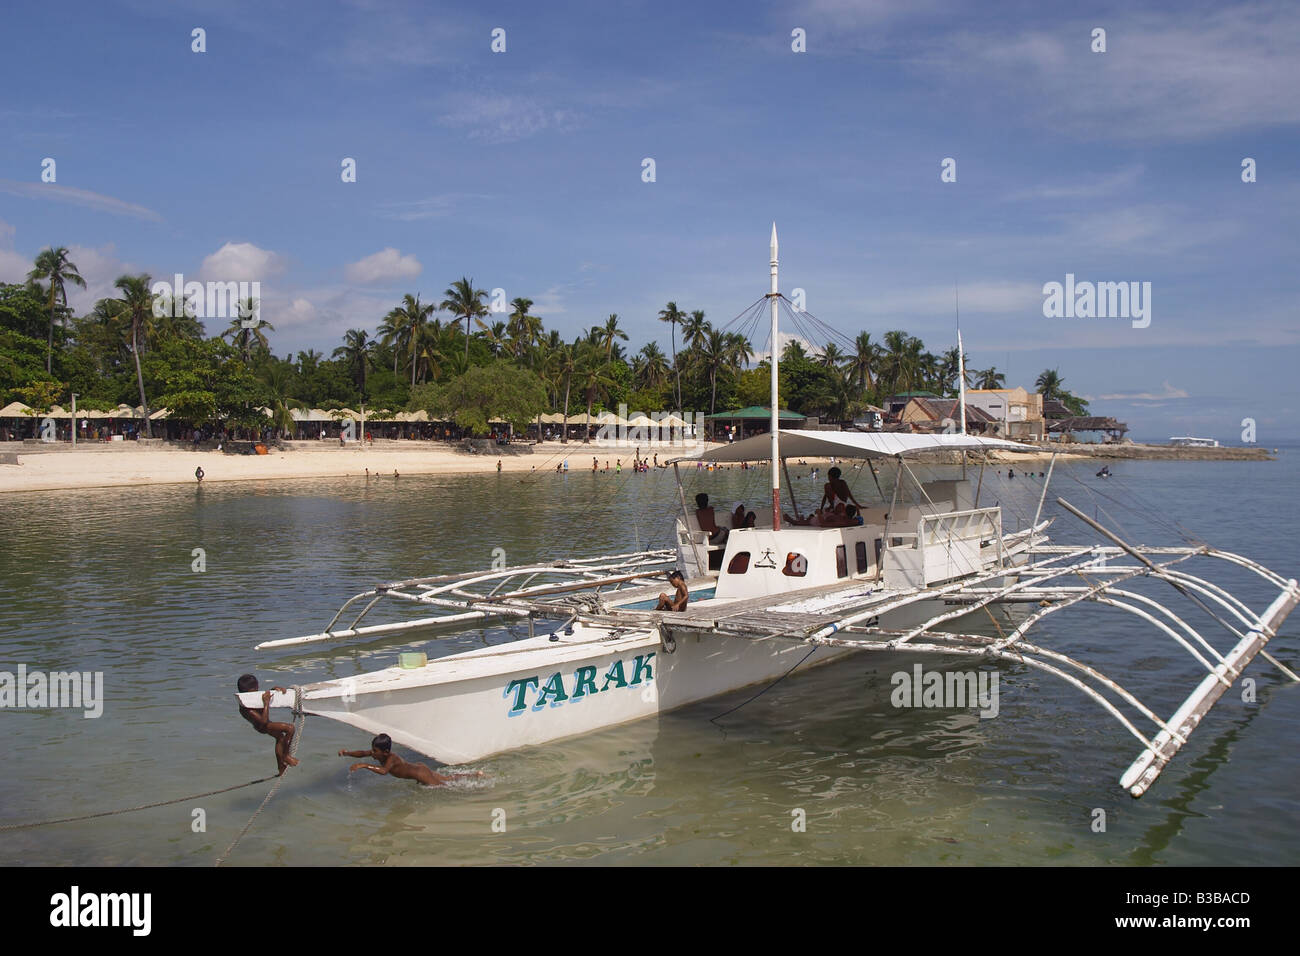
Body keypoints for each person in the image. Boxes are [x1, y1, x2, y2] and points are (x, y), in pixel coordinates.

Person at [339, 734, 481, 787]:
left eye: (375, 751)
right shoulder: (379, 754)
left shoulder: (391, 759)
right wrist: (347, 753)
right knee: (448, 779)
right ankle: (476, 774)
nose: (372, 753)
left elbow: (383, 771)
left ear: (386, 752)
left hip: (420, 773)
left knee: (446, 786)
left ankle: (476, 786)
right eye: (373, 750)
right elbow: (362, 753)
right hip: (419, 768)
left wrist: (364, 765)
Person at [236, 674, 298, 775]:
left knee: (281, 738)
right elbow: (263, 721)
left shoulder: (252, 700)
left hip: (265, 723)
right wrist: (266, 703)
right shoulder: (246, 707)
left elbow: (259, 701)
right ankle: (286, 756)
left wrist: (273, 690)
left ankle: (281, 767)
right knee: (289, 728)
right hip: (262, 726)